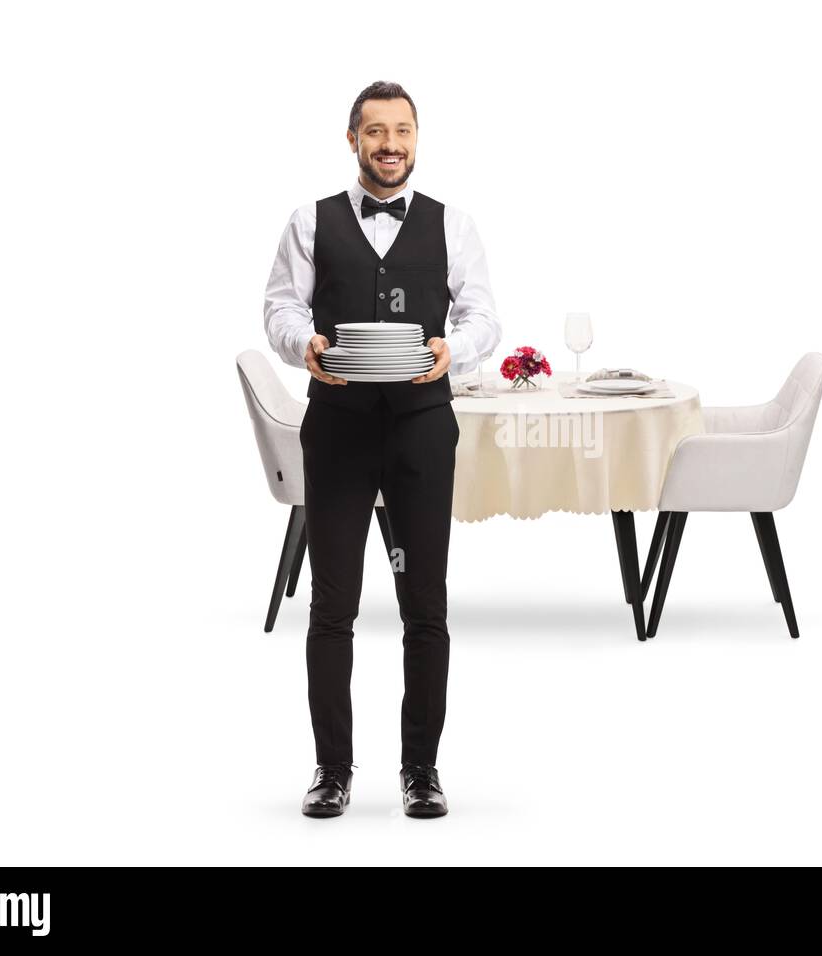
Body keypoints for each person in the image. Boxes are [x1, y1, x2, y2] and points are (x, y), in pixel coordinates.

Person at [263, 80, 501, 818]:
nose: (390, 144)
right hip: (336, 424)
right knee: (332, 606)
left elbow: (483, 316)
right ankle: (331, 770)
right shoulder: (310, 220)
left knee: (425, 606)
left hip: (422, 424)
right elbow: (279, 306)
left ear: (416, 138)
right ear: (353, 140)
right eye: (375, 131)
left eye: (402, 130)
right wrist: (301, 343)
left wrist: (450, 349)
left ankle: (420, 771)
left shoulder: (452, 225)